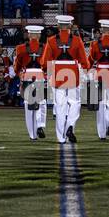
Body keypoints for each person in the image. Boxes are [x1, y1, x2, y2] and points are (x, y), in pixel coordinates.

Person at [43, 15, 90, 143]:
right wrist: (85, 72)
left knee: (59, 106)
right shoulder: (76, 40)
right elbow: (84, 61)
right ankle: (70, 125)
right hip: (72, 72)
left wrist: (47, 73)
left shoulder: (51, 40)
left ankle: (61, 137)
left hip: (57, 71)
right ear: (70, 26)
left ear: (58, 26)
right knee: (75, 102)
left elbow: (45, 61)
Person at [14, 25, 49, 140]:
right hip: (40, 74)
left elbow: (17, 66)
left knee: (28, 106)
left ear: (29, 35)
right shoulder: (45, 47)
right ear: (39, 35)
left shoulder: (20, 48)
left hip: (27, 75)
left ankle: (32, 135)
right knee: (41, 102)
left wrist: (18, 73)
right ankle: (40, 124)